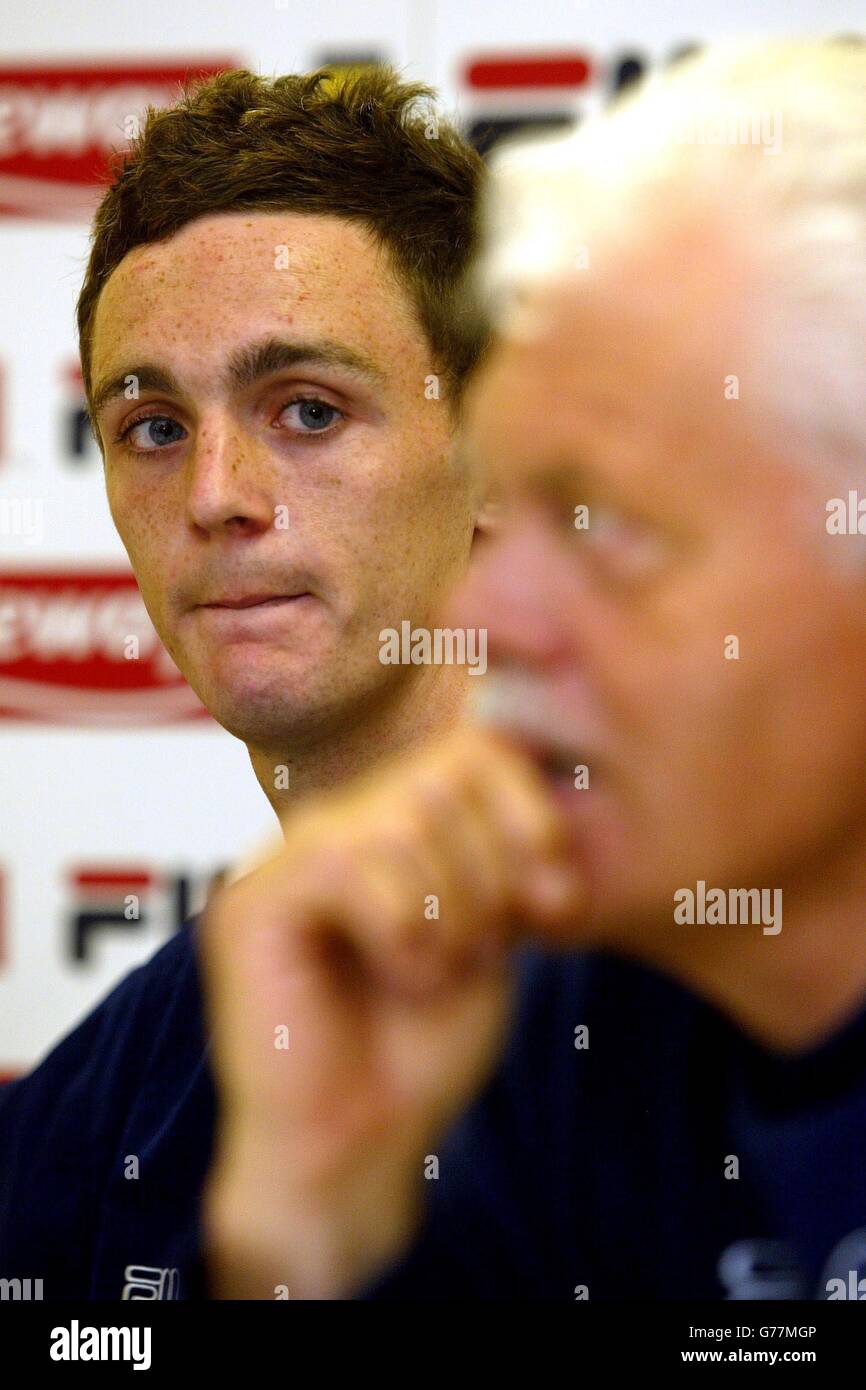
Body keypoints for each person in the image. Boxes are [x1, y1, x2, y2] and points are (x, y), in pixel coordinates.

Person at [199, 38, 866, 1301]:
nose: (489, 613)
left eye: (603, 521)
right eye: (510, 507)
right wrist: (307, 1232)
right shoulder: (524, 1019)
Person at [0, 65, 489, 1300]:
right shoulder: (100, 1111)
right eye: (154, 427)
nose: (216, 494)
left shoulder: (766, 978)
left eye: (308, 410)